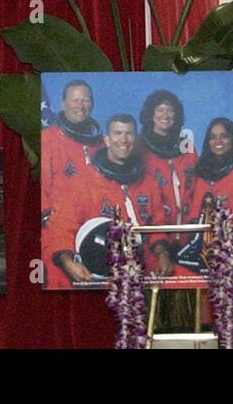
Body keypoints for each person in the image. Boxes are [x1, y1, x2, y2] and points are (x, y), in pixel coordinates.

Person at [43, 114, 170, 287]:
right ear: (107, 140)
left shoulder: (149, 183)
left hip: (142, 263)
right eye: (118, 133)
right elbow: (60, 228)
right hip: (99, 269)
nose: (124, 140)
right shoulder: (82, 183)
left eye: (129, 134)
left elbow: (158, 226)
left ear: (136, 139)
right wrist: (68, 262)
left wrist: (163, 254)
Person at [186, 117, 233, 225]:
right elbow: (195, 212)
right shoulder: (203, 170)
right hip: (206, 236)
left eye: (224, 136)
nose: (218, 141)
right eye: (213, 137)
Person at [136, 90, 196, 225]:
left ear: (176, 115)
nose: (165, 115)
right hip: (155, 229)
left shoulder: (186, 143)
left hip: (187, 227)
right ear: (151, 113)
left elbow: (197, 181)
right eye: (160, 110)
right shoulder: (139, 146)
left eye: (170, 110)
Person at [42, 79, 105, 189]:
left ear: (92, 104)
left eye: (86, 100)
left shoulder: (102, 143)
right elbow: (44, 189)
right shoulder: (48, 139)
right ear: (63, 104)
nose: (80, 106)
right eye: (75, 100)